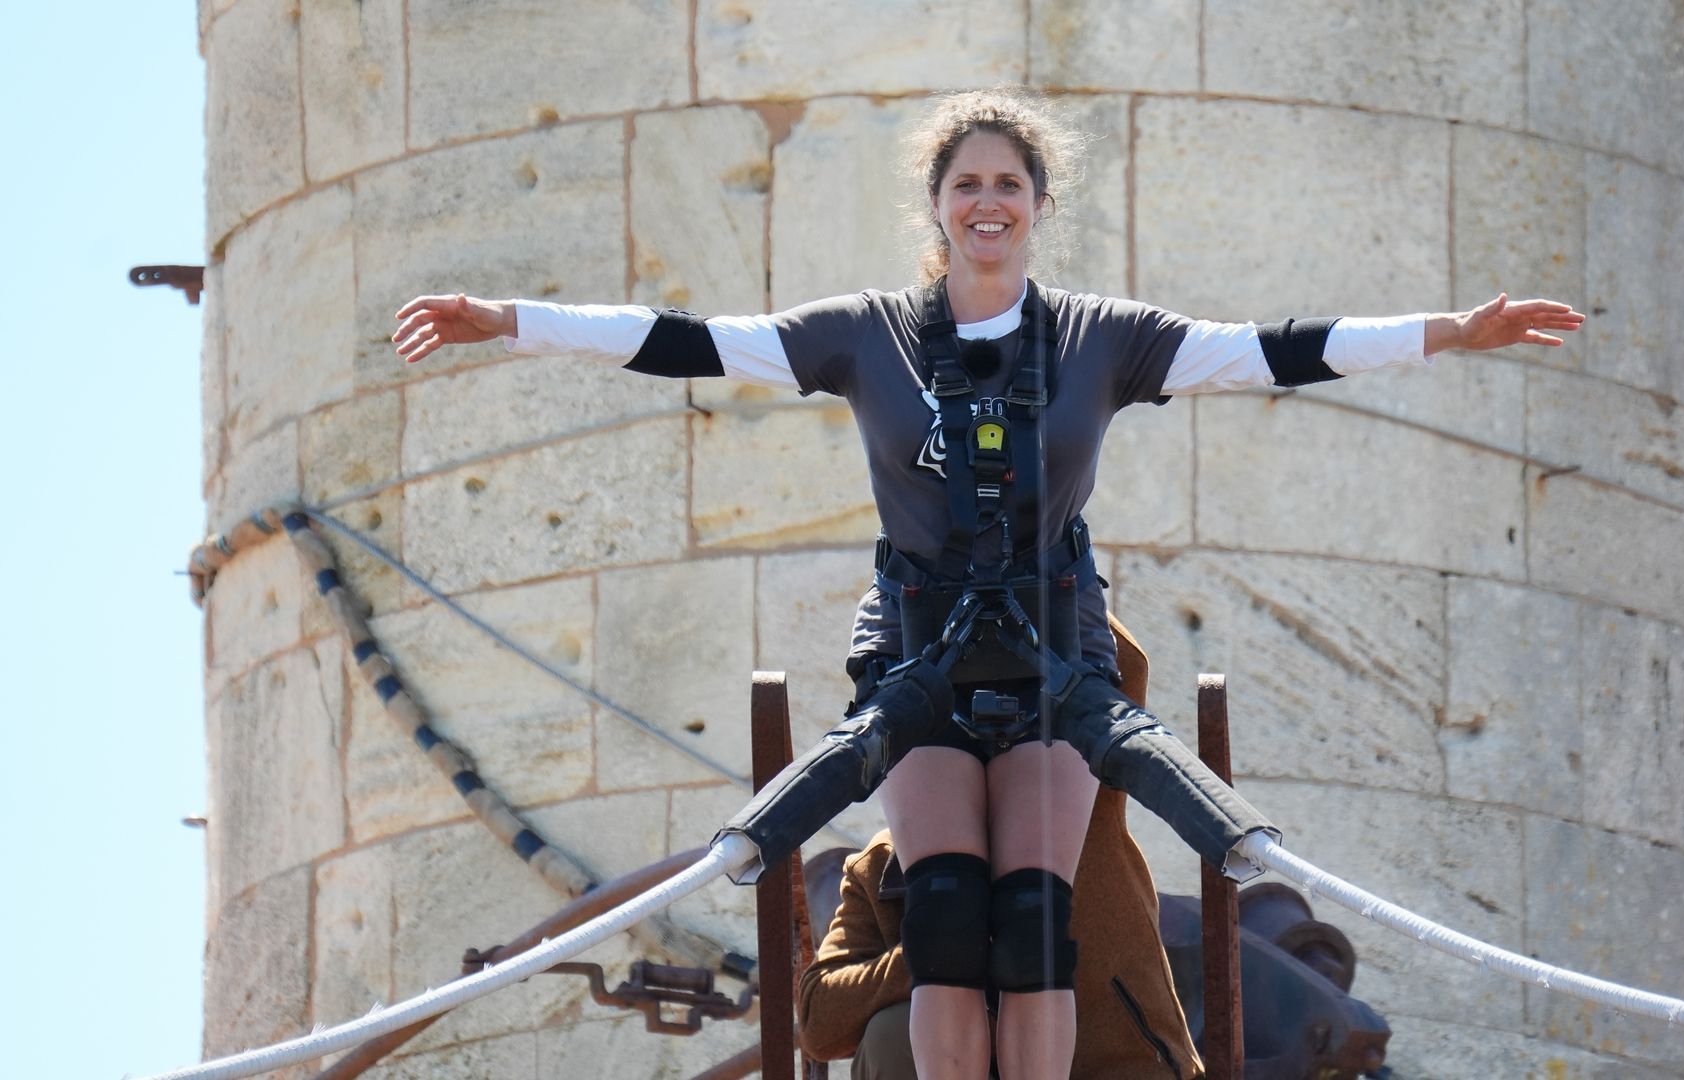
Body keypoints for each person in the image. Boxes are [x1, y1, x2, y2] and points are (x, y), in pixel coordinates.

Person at [391, 87, 1581, 1080]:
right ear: (939, 207)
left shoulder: (1104, 338)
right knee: (950, 924)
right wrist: (507, 319)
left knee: (1034, 924)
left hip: (1059, 660)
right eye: (967, 184)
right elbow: (690, 340)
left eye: (1009, 183)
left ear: (1038, 206)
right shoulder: (868, 334)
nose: (988, 202)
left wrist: (1447, 332)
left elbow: (1271, 351)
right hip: (921, 659)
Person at [798, 616, 1201, 1079]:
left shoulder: (1082, 814)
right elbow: (818, 1020)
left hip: (1117, 1068)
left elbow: (1121, 665)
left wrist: (1007, 580)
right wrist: (942, 940)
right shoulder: (882, 868)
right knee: (890, 1034)